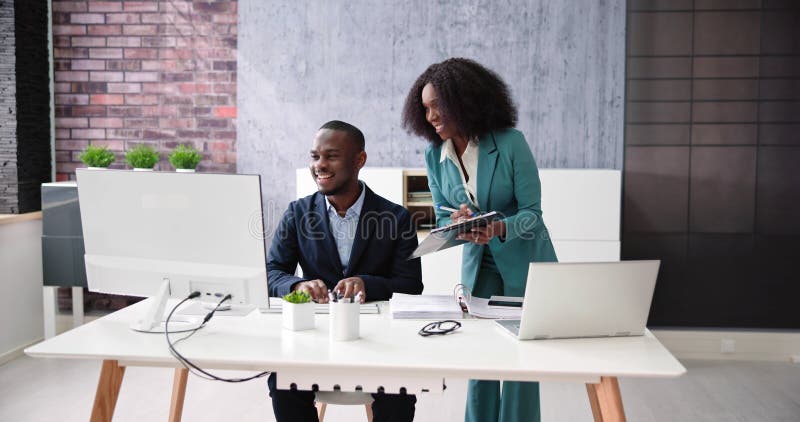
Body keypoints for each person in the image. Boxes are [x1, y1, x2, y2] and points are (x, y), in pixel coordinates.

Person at [402, 58, 558, 422]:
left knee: (520, 364)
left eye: (437, 105)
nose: (430, 117)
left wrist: (498, 227)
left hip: (522, 263)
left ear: (464, 100)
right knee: (481, 359)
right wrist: (456, 221)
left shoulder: (510, 143)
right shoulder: (433, 155)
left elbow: (533, 214)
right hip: (478, 266)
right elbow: (441, 214)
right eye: (424, 109)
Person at [266, 120, 423, 422]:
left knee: (401, 389)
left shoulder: (396, 217)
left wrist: (366, 283)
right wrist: (297, 286)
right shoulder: (297, 213)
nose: (319, 165)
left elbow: (411, 285)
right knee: (282, 381)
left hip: (381, 342)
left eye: (331, 156)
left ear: (359, 160)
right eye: (314, 156)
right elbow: (272, 272)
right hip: (315, 338)